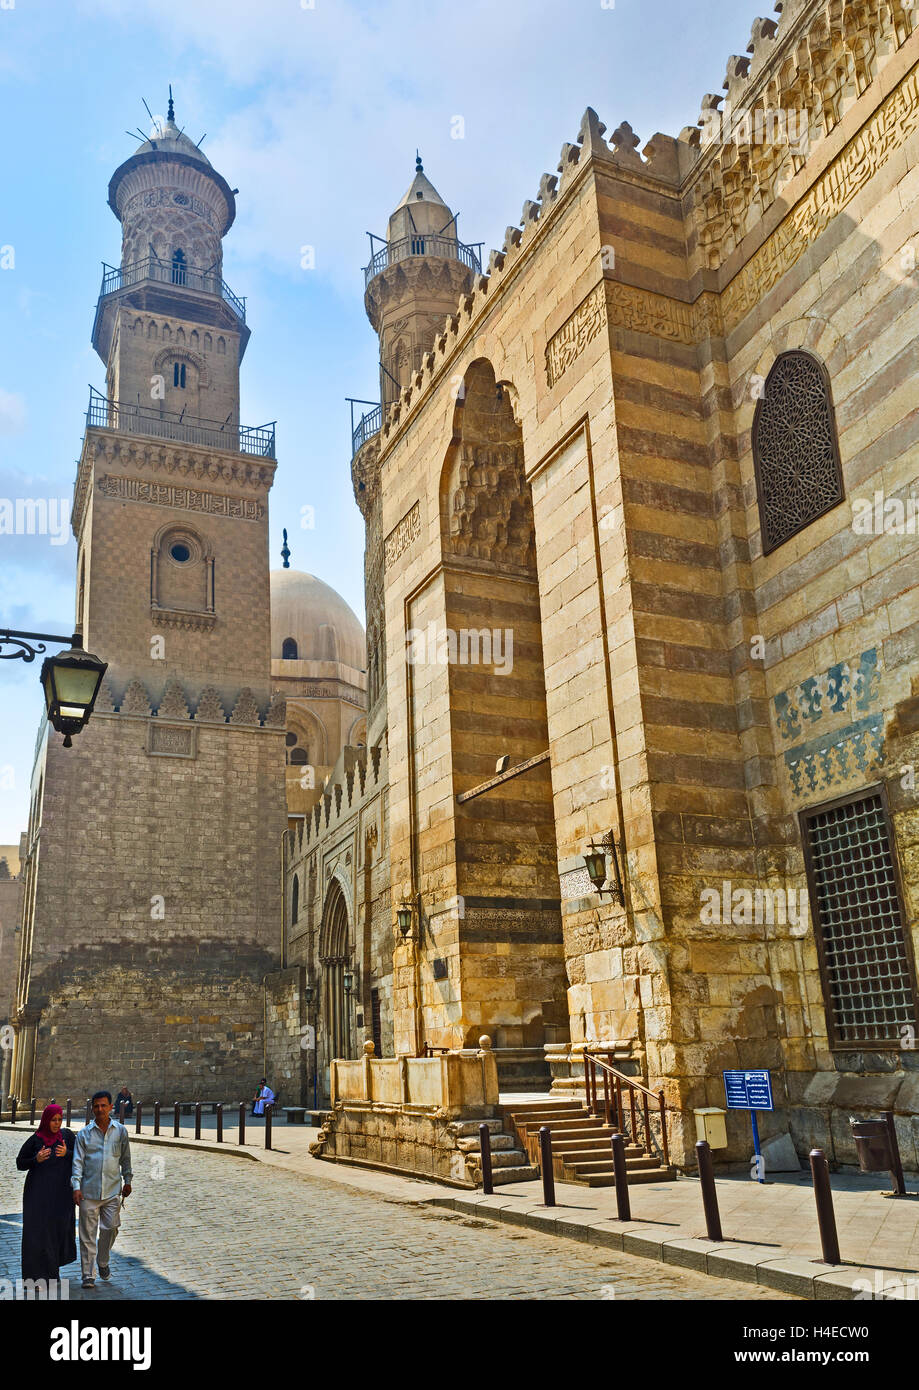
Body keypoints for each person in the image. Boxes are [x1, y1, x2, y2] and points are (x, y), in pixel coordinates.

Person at [72, 1090, 133, 1290]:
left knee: (111, 1228)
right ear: (92, 1108)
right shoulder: (84, 1134)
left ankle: (103, 1260)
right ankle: (88, 1275)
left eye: (103, 1106)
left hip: (113, 1191)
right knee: (87, 1235)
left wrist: (128, 1180)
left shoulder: (121, 1131)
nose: (100, 1109)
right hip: (88, 1192)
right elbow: (77, 1163)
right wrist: (76, 1187)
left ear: (110, 1107)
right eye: (96, 1106)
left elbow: (125, 1159)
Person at [16, 1103, 77, 1283]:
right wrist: (36, 1159)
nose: (57, 1124)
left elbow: (80, 1158)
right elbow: (20, 1163)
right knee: (36, 1234)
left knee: (54, 1232)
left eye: (59, 1120)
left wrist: (67, 1153)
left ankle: (52, 1274)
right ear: (46, 1121)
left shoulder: (66, 1136)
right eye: (53, 1120)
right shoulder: (35, 1139)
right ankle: (34, 1277)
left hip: (61, 1196)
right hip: (37, 1195)